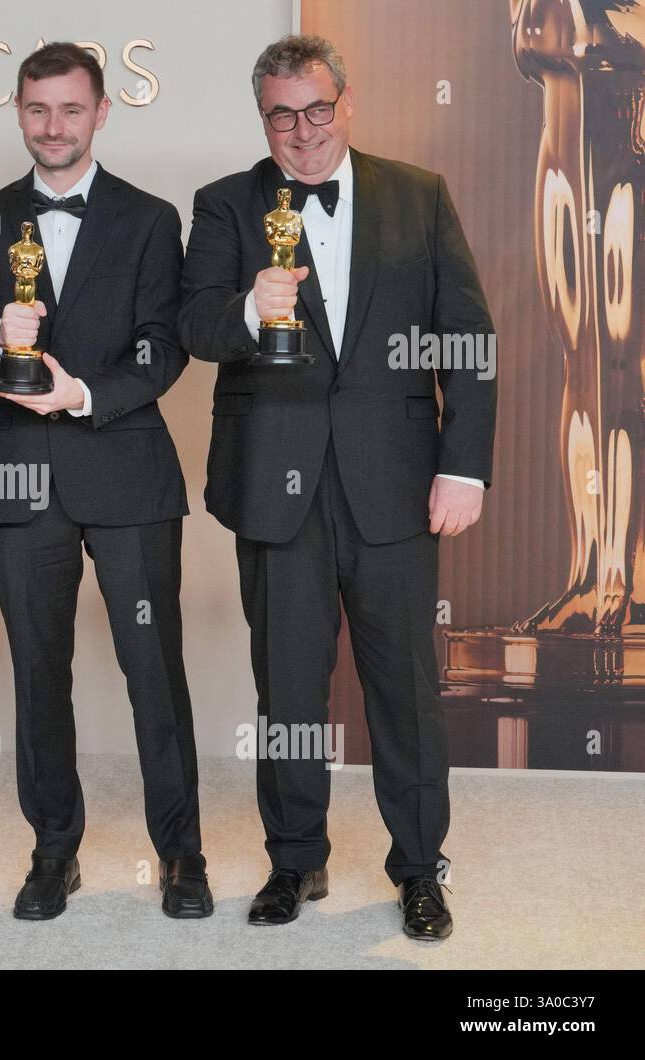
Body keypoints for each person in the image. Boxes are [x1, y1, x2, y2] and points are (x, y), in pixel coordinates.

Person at [179, 34, 497, 940]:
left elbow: (465, 341)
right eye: (283, 114)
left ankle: (418, 868)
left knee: (405, 692)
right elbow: (194, 325)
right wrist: (249, 308)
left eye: (318, 109)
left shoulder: (416, 195)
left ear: (344, 103)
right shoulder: (225, 204)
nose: (304, 131)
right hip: (275, 492)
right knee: (287, 693)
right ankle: (295, 861)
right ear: (263, 118)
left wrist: (463, 465)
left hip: (396, 487)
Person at [0, 43, 210, 921]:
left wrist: (85, 395)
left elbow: (163, 346)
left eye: (69, 109)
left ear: (101, 113)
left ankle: (182, 855)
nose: (52, 126)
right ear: (17, 113)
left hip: (127, 470)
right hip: (19, 477)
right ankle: (54, 850)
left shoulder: (149, 217)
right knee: (37, 670)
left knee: (154, 670)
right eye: (36, 110)